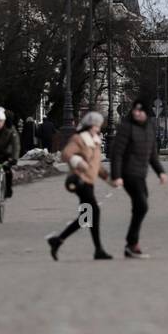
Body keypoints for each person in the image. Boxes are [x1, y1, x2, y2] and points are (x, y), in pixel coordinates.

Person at [47, 111, 112, 261]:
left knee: (85, 218)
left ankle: (58, 240)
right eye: (96, 126)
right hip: (79, 182)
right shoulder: (79, 139)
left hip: (88, 182)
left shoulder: (94, 142)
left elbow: (97, 167)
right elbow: (66, 154)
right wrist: (78, 162)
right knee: (94, 211)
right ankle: (98, 250)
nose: (98, 128)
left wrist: (109, 179)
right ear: (90, 125)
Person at [110, 98, 168, 258]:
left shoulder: (149, 128)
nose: (136, 112)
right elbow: (117, 153)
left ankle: (130, 245)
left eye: (140, 110)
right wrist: (116, 176)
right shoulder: (126, 127)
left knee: (140, 207)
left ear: (147, 114)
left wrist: (160, 172)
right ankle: (132, 242)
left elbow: (152, 155)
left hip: (140, 174)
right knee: (142, 206)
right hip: (128, 174)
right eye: (135, 109)